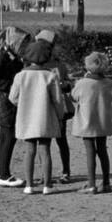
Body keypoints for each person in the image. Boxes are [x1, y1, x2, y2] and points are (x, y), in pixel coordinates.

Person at [9, 40, 67, 194]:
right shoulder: (50, 76)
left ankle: (29, 185)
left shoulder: (20, 76)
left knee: (29, 151)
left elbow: (12, 98)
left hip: (27, 119)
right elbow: (58, 101)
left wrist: (24, 105)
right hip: (45, 118)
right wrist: (60, 116)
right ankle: (47, 185)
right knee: (45, 151)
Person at [0, 26, 32, 188]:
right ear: (14, 42)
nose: (25, 47)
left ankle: (3, 173)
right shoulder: (2, 57)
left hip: (6, 101)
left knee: (6, 137)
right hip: (3, 102)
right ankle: (4, 175)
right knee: (8, 137)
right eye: (23, 43)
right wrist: (13, 87)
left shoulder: (11, 57)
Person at [72, 52, 112, 193]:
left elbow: (74, 96)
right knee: (103, 151)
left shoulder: (82, 83)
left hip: (87, 121)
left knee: (90, 151)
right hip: (102, 121)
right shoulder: (108, 83)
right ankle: (106, 182)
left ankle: (91, 184)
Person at [35, 29, 73, 183]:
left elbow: (68, 83)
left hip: (56, 108)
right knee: (45, 142)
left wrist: (64, 85)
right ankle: (46, 173)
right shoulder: (38, 65)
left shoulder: (58, 65)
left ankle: (65, 171)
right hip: (44, 107)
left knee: (59, 140)